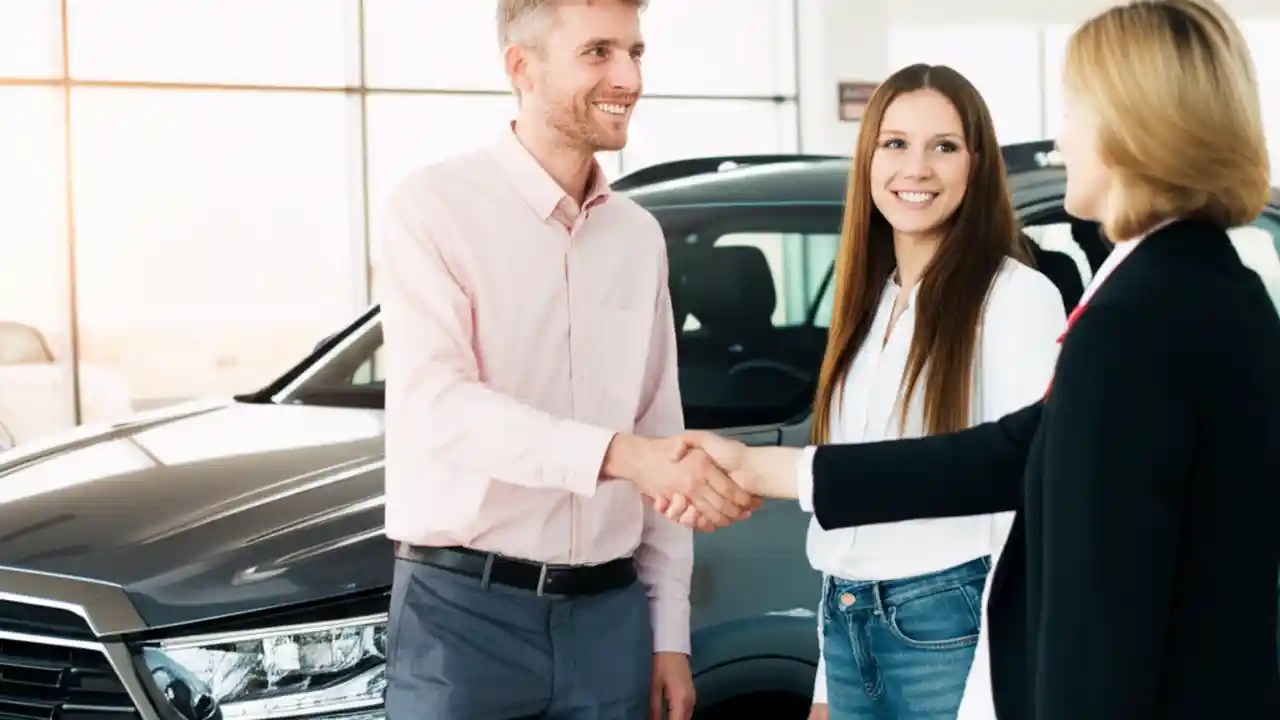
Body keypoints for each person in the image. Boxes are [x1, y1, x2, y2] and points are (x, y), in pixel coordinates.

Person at [663, 1, 1280, 717]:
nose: (1060, 139)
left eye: (1074, 111)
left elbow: (1095, 582)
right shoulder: (1200, 293)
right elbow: (1010, 454)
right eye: (894, 144)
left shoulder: (1144, 314)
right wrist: (763, 469)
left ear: (1136, 126)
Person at [378, 1, 754, 718]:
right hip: (462, 621)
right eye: (598, 52)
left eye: (635, 52)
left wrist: (668, 632)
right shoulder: (433, 208)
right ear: (522, 66)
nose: (629, 78)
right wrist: (619, 455)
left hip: (611, 622)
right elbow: (440, 407)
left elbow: (659, 427)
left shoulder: (638, 237)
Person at [797, 64, 1066, 720]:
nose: (915, 168)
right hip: (846, 616)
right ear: (868, 160)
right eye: (895, 143)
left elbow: (1029, 502)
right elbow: (849, 508)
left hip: (950, 630)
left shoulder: (1017, 298)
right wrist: (826, 683)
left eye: (943, 146)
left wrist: (987, 697)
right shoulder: (868, 304)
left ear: (977, 165)